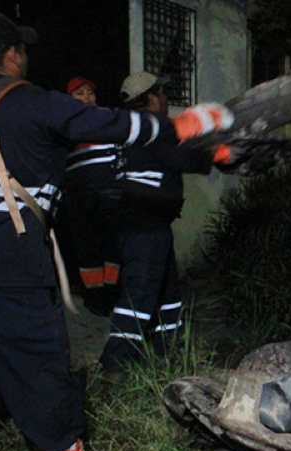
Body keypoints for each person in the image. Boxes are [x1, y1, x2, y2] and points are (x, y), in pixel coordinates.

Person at [0, 9, 232, 451]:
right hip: (10, 265)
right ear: (11, 54)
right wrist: (180, 125)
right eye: (22, 48)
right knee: (36, 360)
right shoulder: (34, 103)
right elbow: (109, 123)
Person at [98, 72, 226, 380]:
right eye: (162, 92)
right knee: (140, 296)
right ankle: (114, 365)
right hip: (145, 228)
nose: (166, 98)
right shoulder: (151, 128)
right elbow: (183, 158)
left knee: (168, 295)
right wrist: (221, 153)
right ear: (151, 97)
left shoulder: (128, 130)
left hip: (142, 225)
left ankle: (169, 351)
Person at [62, 76, 123, 316]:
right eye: (80, 93)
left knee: (112, 247)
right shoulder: (64, 123)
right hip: (79, 194)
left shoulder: (107, 117)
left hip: (109, 192)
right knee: (87, 248)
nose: (86, 97)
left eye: (90, 92)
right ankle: (95, 297)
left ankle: (112, 292)